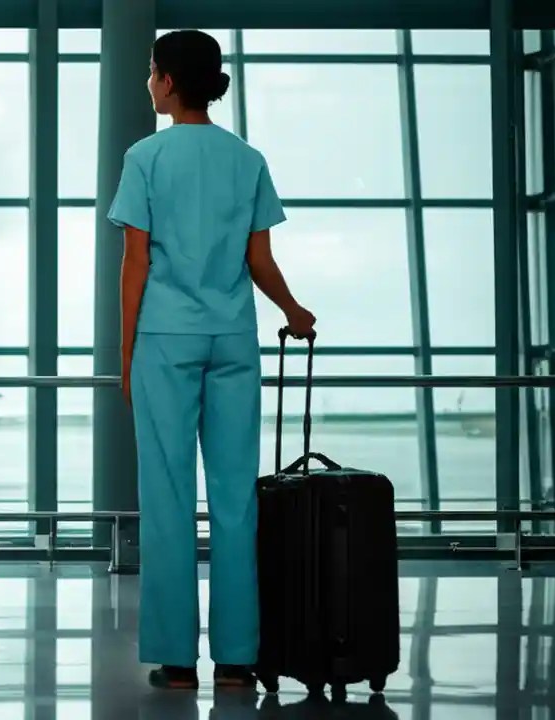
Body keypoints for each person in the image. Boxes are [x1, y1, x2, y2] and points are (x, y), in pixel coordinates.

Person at [107, 30, 317, 691]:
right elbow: (260, 261)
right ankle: (236, 658)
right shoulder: (246, 158)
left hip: (166, 341)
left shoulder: (146, 156)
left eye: (150, 73)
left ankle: (176, 660)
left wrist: (125, 351)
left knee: (167, 499)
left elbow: (136, 262)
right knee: (235, 499)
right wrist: (294, 310)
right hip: (233, 341)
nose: (147, 83)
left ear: (168, 82)